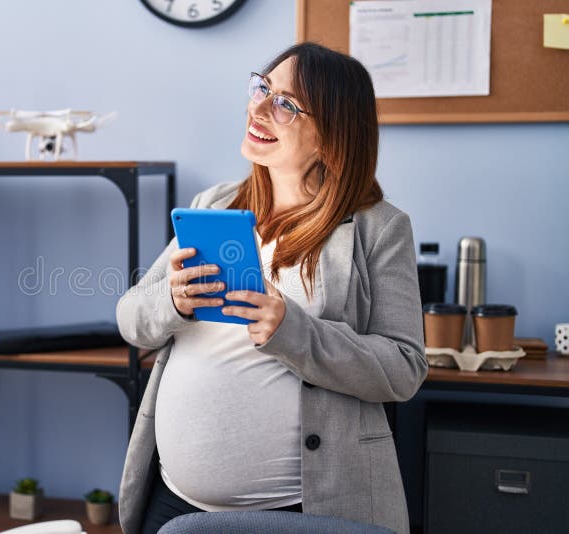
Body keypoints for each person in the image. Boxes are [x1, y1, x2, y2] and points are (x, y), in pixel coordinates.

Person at [116, 42, 427, 534]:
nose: (258, 109)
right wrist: (171, 301)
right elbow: (131, 320)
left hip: (303, 511)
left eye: (286, 104)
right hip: (172, 499)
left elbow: (404, 368)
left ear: (332, 135)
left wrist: (292, 331)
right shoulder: (215, 204)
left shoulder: (379, 228)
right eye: (262, 88)